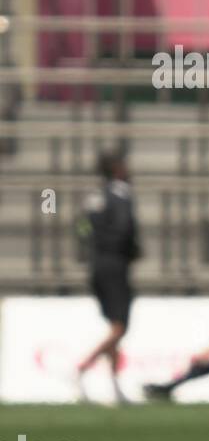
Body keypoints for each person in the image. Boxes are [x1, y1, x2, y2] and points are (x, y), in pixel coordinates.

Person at [75, 152, 142, 404]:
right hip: (115, 264)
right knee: (119, 326)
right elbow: (125, 228)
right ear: (116, 169)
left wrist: (94, 245)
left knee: (114, 324)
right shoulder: (121, 193)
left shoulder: (93, 197)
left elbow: (81, 228)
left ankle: (115, 388)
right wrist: (131, 249)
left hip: (96, 264)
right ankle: (82, 367)